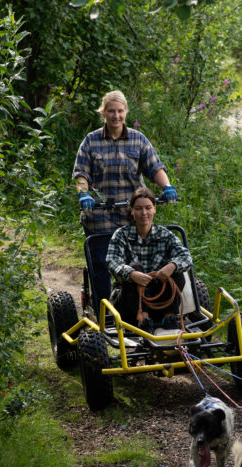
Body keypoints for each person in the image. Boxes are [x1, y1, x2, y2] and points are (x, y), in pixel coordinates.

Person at [73, 90, 178, 306]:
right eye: (111, 111)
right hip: (100, 217)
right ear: (103, 112)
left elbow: (154, 167)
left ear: (126, 112)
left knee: (138, 265)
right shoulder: (91, 141)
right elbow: (81, 173)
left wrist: (166, 186)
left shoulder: (138, 140)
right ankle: (105, 312)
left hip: (133, 216)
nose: (116, 116)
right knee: (102, 265)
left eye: (120, 111)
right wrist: (84, 193)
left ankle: (139, 308)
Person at [105, 188, 191, 330]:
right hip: (129, 303)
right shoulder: (121, 235)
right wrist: (131, 274)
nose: (144, 213)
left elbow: (186, 257)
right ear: (132, 210)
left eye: (148, 208)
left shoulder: (165, 235)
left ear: (154, 209)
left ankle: (169, 318)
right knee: (134, 267)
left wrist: (172, 266)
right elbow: (112, 261)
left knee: (175, 269)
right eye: (138, 209)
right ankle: (143, 320)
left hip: (161, 301)